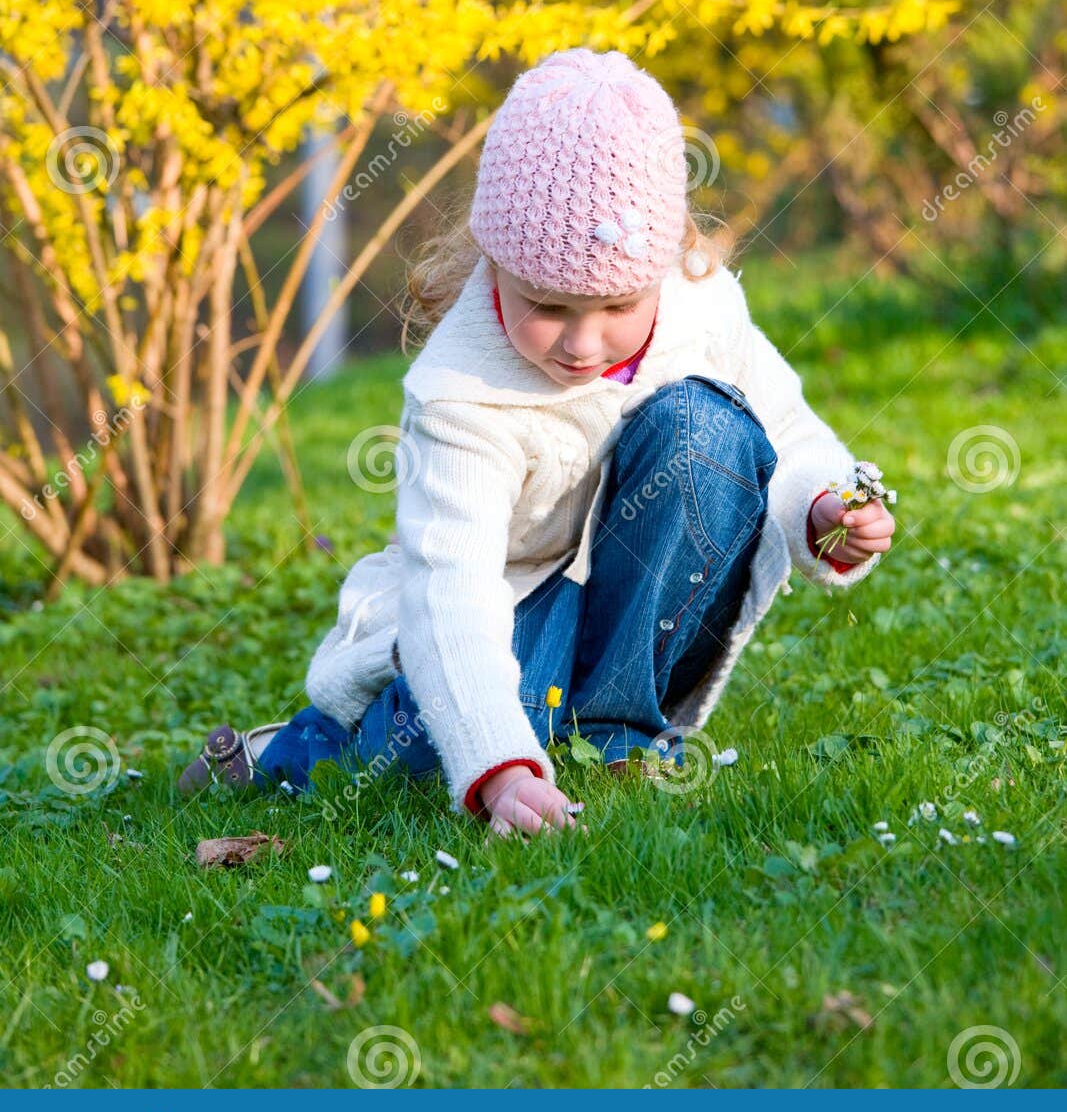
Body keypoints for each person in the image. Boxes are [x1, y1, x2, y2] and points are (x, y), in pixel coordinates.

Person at [179, 47, 896, 836]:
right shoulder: (459, 393)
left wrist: (821, 507)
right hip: (512, 613)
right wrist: (500, 768)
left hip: (639, 606)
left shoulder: (700, 307)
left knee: (707, 426)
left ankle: (616, 737)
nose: (582, 344)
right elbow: (452, 592)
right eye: (547, 306)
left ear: (663, 266)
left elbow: (785, 433)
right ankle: (298, 751)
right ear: (494, 266)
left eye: (616, 307)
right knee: (431, 745)